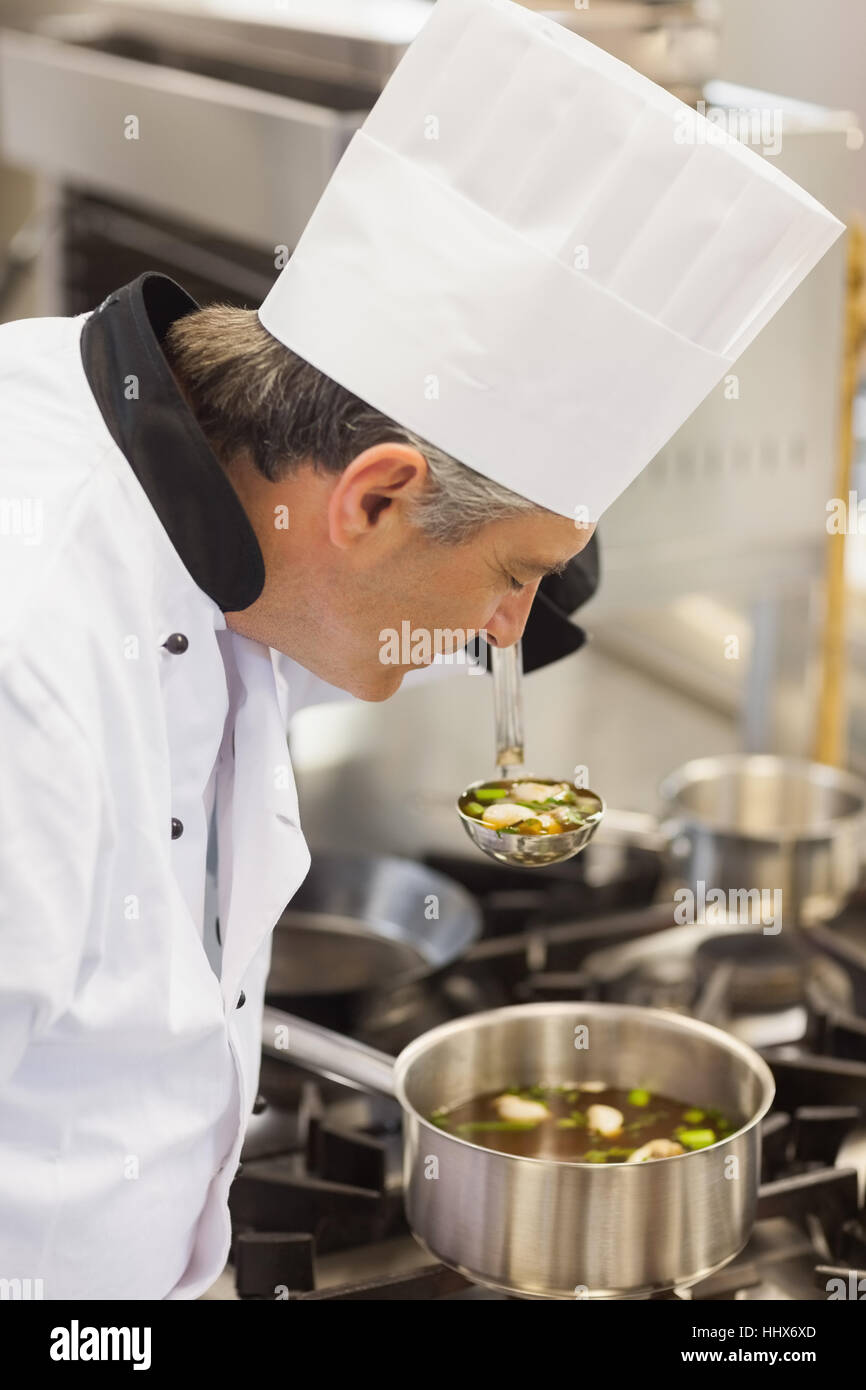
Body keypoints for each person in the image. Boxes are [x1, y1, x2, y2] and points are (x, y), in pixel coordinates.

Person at [0, 0, 842, 1298]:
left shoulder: (203, 457)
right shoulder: (28, 662)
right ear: (376, 497)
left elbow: (425, 596)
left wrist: (523, 552)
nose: (510, 631)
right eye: (513, 578)